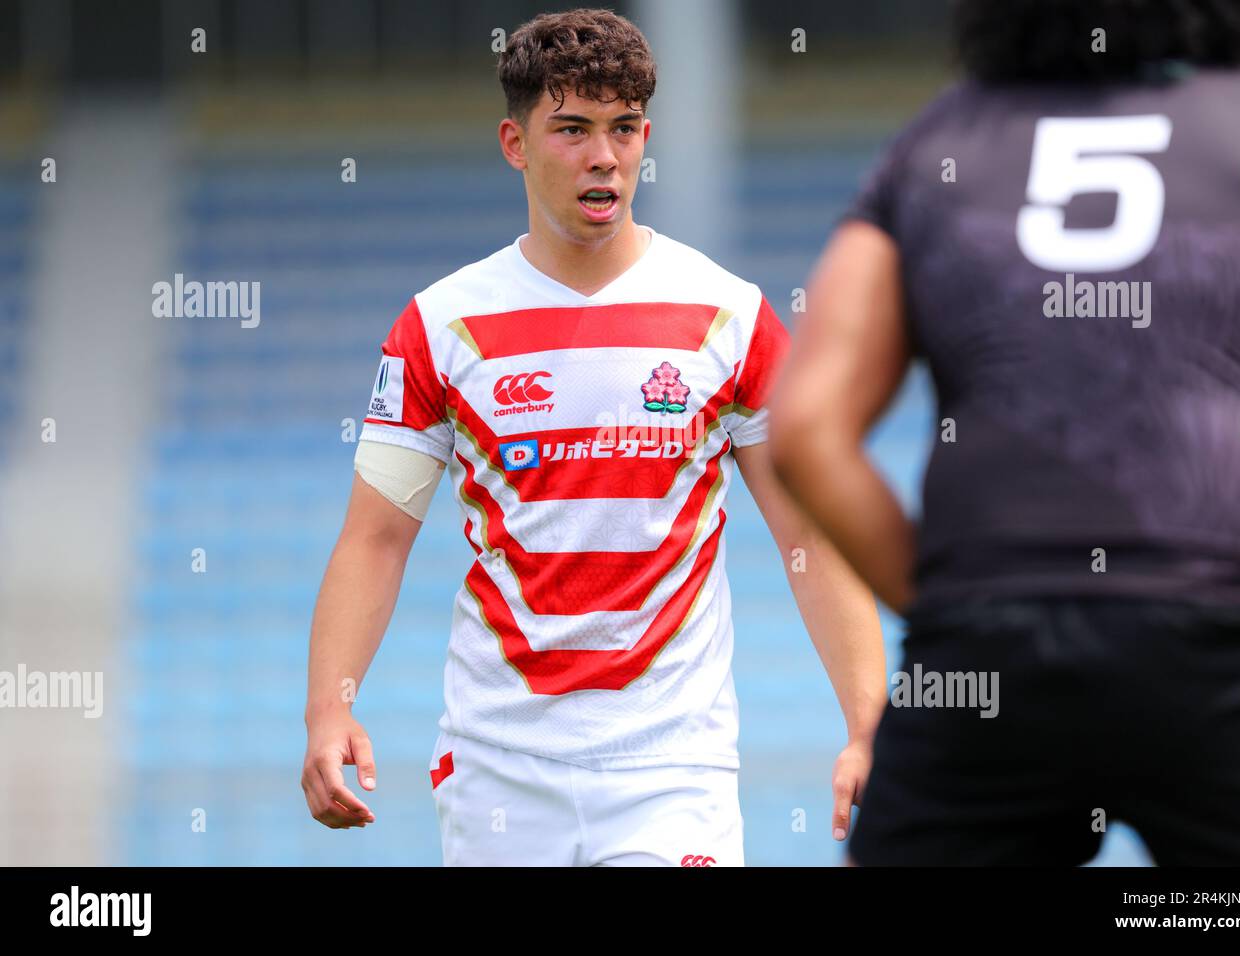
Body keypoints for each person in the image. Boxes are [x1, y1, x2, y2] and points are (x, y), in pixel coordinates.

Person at [301, 7, 884, 867]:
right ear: (515, 142)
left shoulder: (733, 315)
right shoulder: (440, 325)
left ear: (646, 135)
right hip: (499, 768)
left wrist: (867, 724)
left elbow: (810, 538)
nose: (602, 155)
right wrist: (329, 710)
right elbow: (376, 540)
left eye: (621, 129)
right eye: (570, 129)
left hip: (671, 770)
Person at [769, 0, 1240, 865]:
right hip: (1224, 647)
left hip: (990, 650)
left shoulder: (943, 140)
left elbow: (806, 430)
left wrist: (950, 601)